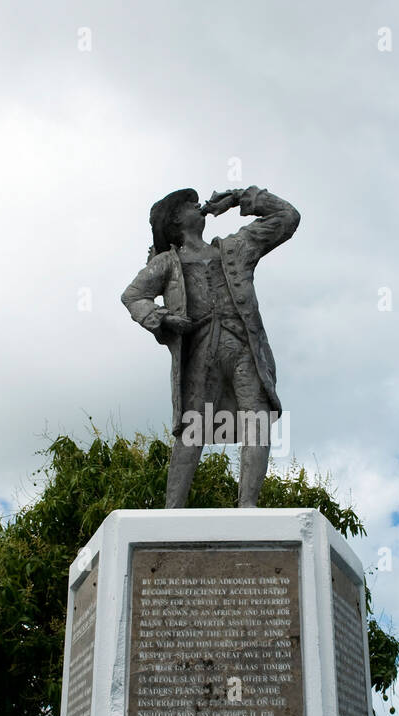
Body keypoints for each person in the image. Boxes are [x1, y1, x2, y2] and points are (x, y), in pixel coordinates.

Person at [121, 185, 300, 507]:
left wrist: (240, 198)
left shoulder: (235, 248)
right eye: (191, 204)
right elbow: (133, 296)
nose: (199, 206)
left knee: (256, 419)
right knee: (191, 430)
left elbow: (287, 217)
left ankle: (247, 504)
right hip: (201, 350)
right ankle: (172, 510)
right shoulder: (166, 263)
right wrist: (162, 318)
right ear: (176, 219)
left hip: (243, 347)